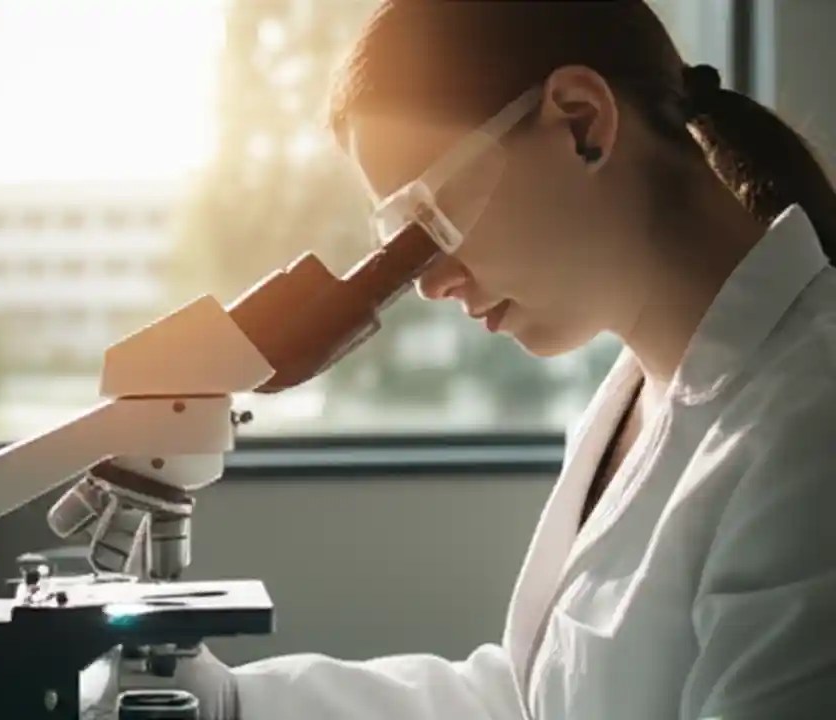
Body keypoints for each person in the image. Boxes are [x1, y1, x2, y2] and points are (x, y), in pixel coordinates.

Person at [166, 1, 836, 718]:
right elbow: (537, 696)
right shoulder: (639, 398)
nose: (427, 282)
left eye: (432, 220)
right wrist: (231, 704)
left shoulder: (809, 429)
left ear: (582, 123)